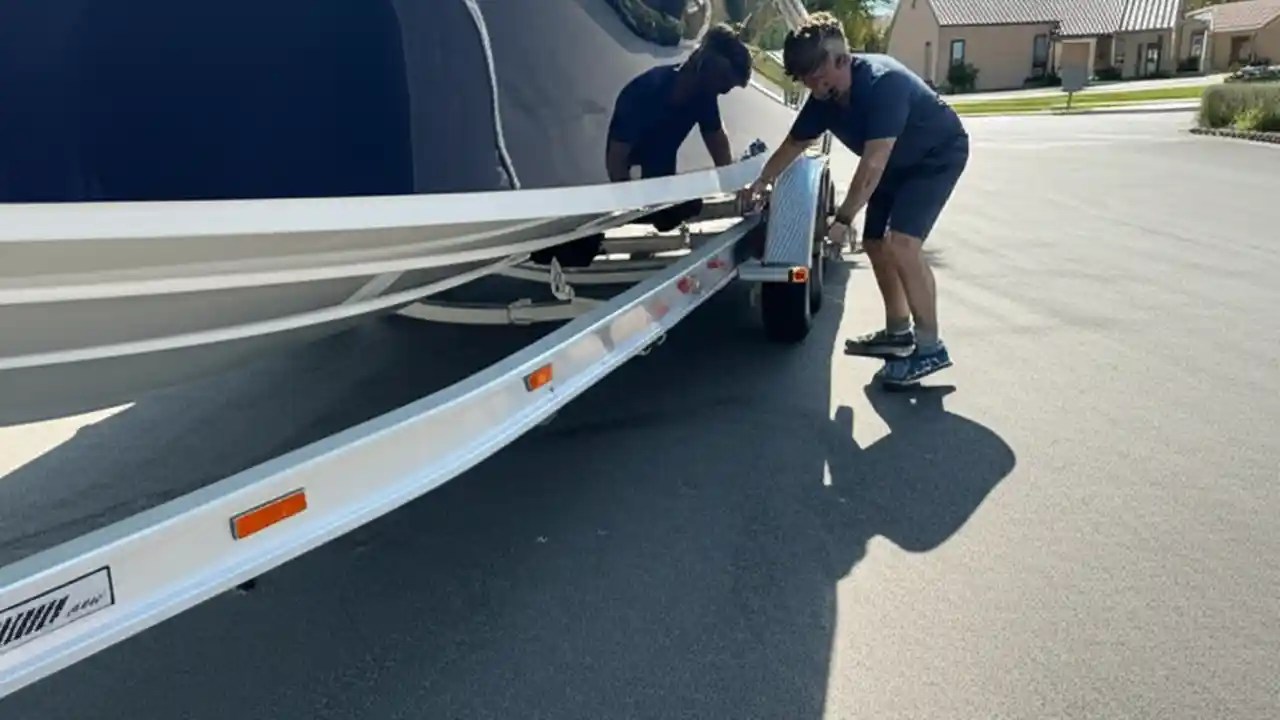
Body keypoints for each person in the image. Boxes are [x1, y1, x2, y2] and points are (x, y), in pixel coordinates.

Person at [743, 12, 969, 387]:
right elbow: (795, 143)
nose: (815, 89)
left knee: (903, 246)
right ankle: (898, 332)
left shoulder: (885, 84)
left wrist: (842, 219)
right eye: (806, 81)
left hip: (936, 156)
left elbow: (873, 163)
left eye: (820, 78)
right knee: (874, 243)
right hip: (894, 166)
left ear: (842, 60)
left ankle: (930, 347)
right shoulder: (823, 99)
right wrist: (762, 181)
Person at [534, 24, 753, 267]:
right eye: (723, 83)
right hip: (614, 171)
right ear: (706, 64)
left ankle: (651, 227)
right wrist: (625, 208)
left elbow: (718, 143)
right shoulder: (647, 92)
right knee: (590, 238)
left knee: (684, 208)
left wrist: (736, 187)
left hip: (658, 168)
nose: (722, 92)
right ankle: (565, 246)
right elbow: (616, 159)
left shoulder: (703, 97)